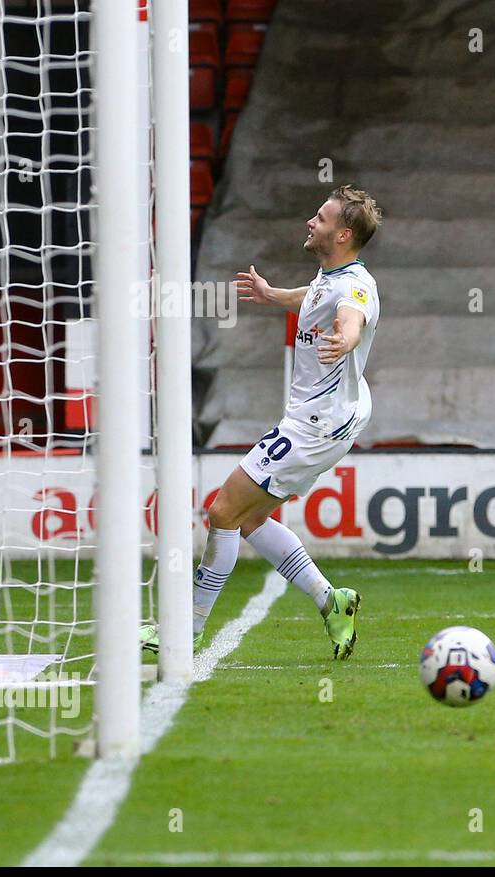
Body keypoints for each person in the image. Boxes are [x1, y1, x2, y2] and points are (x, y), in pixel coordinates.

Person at [141, 185, 383, 660]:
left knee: (222, 512)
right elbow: (316, 296)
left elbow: (351, 317)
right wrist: (274, 295)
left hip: (315, 428)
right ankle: (332, 602)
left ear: (343, 234)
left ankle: (184, 632)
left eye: (321, 218)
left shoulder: (356, 287)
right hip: (325, 420)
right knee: (250, 518)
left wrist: (347, 342)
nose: (311, 222)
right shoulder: (331, 276)